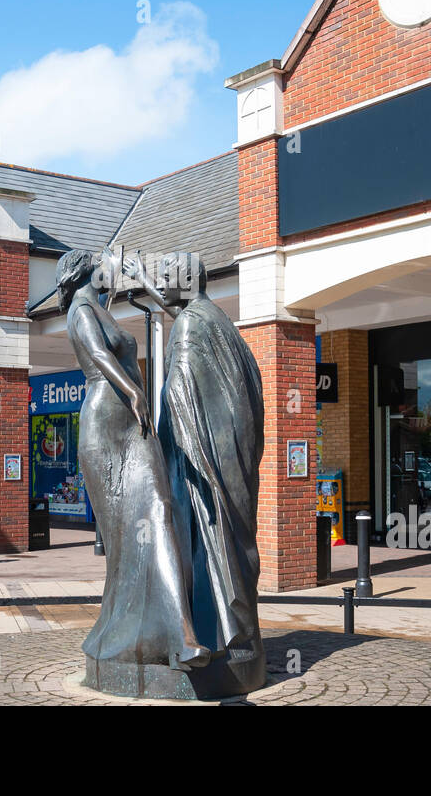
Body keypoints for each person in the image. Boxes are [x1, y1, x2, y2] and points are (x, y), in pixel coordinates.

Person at [57, 248, 209, 674]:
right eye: (102, 268)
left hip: (132, 420)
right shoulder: (81, 310)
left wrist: (141, 279)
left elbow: (177, 310)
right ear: (87, 273)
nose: (109, 273)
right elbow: (100, 356)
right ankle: (129, 633)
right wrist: (134, 391)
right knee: (125, 538)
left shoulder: (101, 306)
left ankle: (183, 635)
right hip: (107, 423)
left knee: (160, 508)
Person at [125, 251, 266, 696]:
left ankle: (211, 638)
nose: (163, 286)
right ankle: (238, 635)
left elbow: (181, 400)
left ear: (186, 281)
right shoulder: (215, 320)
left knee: (206, 551)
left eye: (167, 278)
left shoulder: (189, 327)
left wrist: (162, 449)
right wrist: (144, 279)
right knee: (230, 550)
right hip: (227, 464)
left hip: (200, 466)